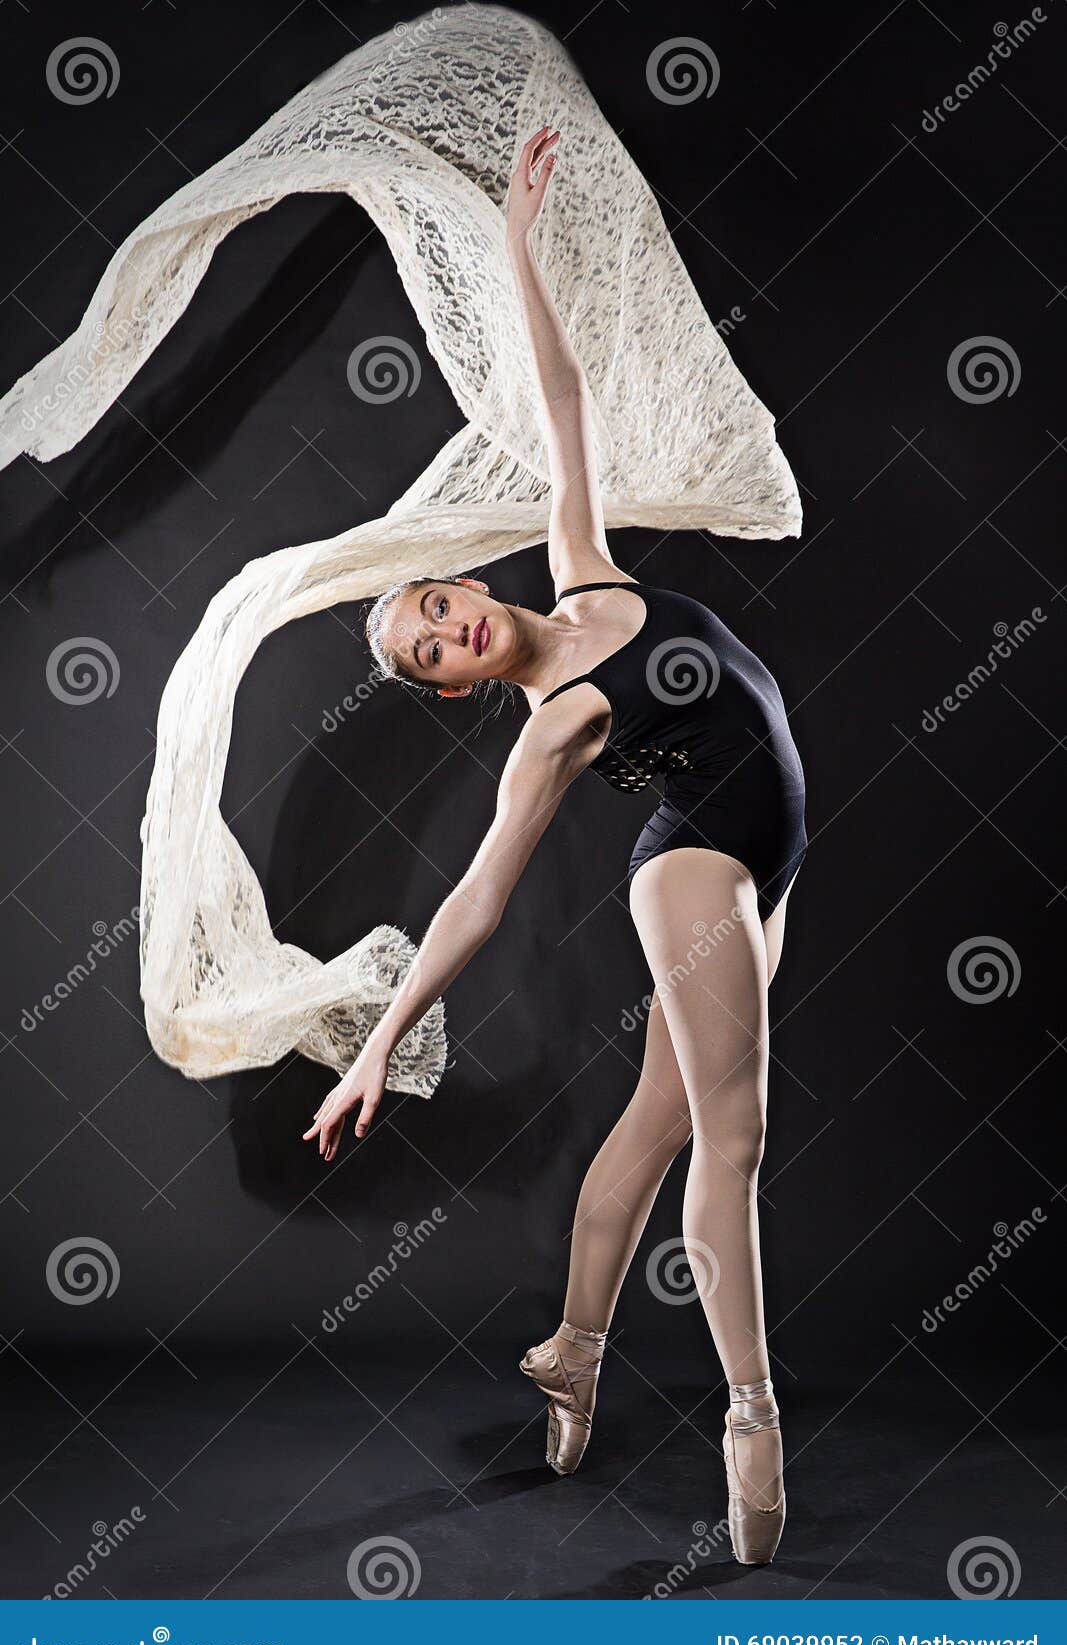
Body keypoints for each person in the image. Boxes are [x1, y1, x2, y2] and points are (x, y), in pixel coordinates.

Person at [303, 127, 806, 1566]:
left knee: (654, 1130)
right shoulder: (552, 722)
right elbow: (473, 898)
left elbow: (563, 393)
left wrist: (519, 246)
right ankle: (752, 1416)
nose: (447, 625)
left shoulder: (584, 560)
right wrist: (376, 1041)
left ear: (464, 587)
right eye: (426, 652)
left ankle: (573, 1351)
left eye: (434, 606)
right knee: (737, 1133)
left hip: (776, 853)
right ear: (458, 686)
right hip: (697, 865)